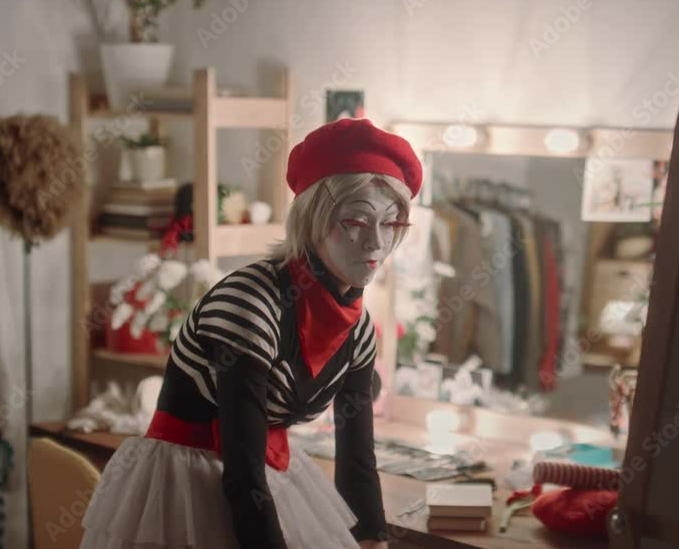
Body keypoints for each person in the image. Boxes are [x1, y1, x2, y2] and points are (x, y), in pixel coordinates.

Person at [79, 118, 422, 549]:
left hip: (265, 474)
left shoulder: (358, 331)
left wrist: (373, 539)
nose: (375, 243)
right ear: (313, 218)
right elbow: (241, 471)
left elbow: (356, 457)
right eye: (356, 220)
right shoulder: (249, 304)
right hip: (190, 480)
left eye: (391, 225)